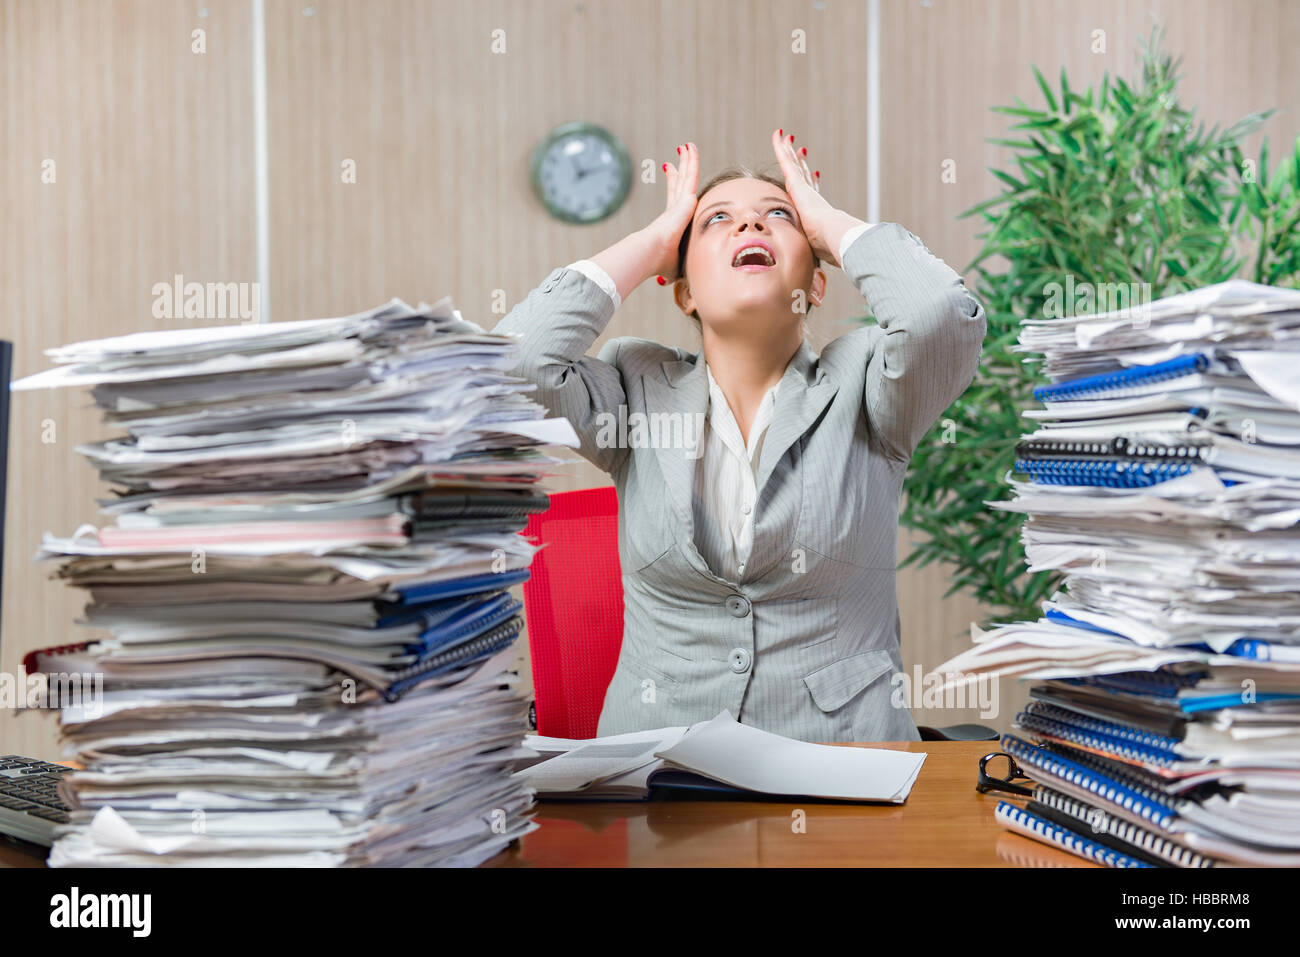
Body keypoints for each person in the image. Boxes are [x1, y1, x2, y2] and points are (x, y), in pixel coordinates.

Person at [494, 128, 986, 742]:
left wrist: (827, 221)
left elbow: (938, 314)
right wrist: (651, 242)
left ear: (817, 280)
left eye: (777, 217)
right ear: (685, 292)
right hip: (661, 775)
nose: (749, 228)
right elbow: (513, 366)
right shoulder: (637, 386)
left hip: (843, 767)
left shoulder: (868, 384)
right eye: (716, 221)